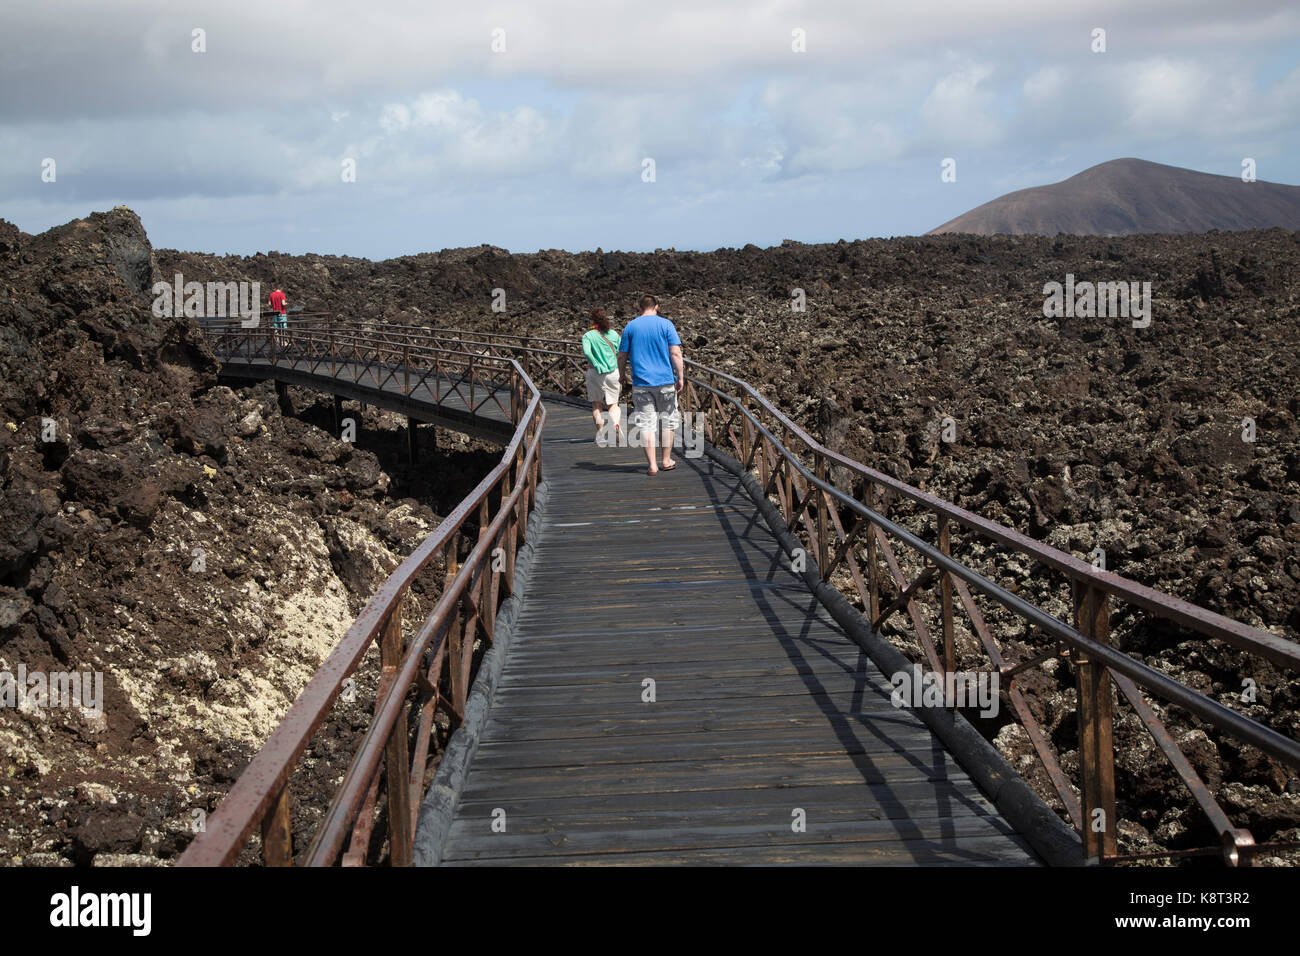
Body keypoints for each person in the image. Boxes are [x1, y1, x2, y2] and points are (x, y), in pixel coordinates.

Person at [617, 294, 684, 476]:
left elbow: (622, 355)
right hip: (665, 381)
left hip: (641, 383)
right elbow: (676, 353)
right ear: (657, 307)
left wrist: (622, 375)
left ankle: (652, 465)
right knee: (667, 420)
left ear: (639, 308)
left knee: (647, 425)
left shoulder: (630, 327)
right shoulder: (666, 324)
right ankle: (666, 460)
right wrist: (680, 377)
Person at [581, 308, 623, 444]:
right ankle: (615, 424)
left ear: (593, 320)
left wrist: (596, 363)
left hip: (595, 373)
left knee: (597, 405)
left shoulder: (588, 335)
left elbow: (587, 352)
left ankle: (600, 434)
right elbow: (619, 351)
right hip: (613, 372)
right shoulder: (614, 334)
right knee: (613, 404)